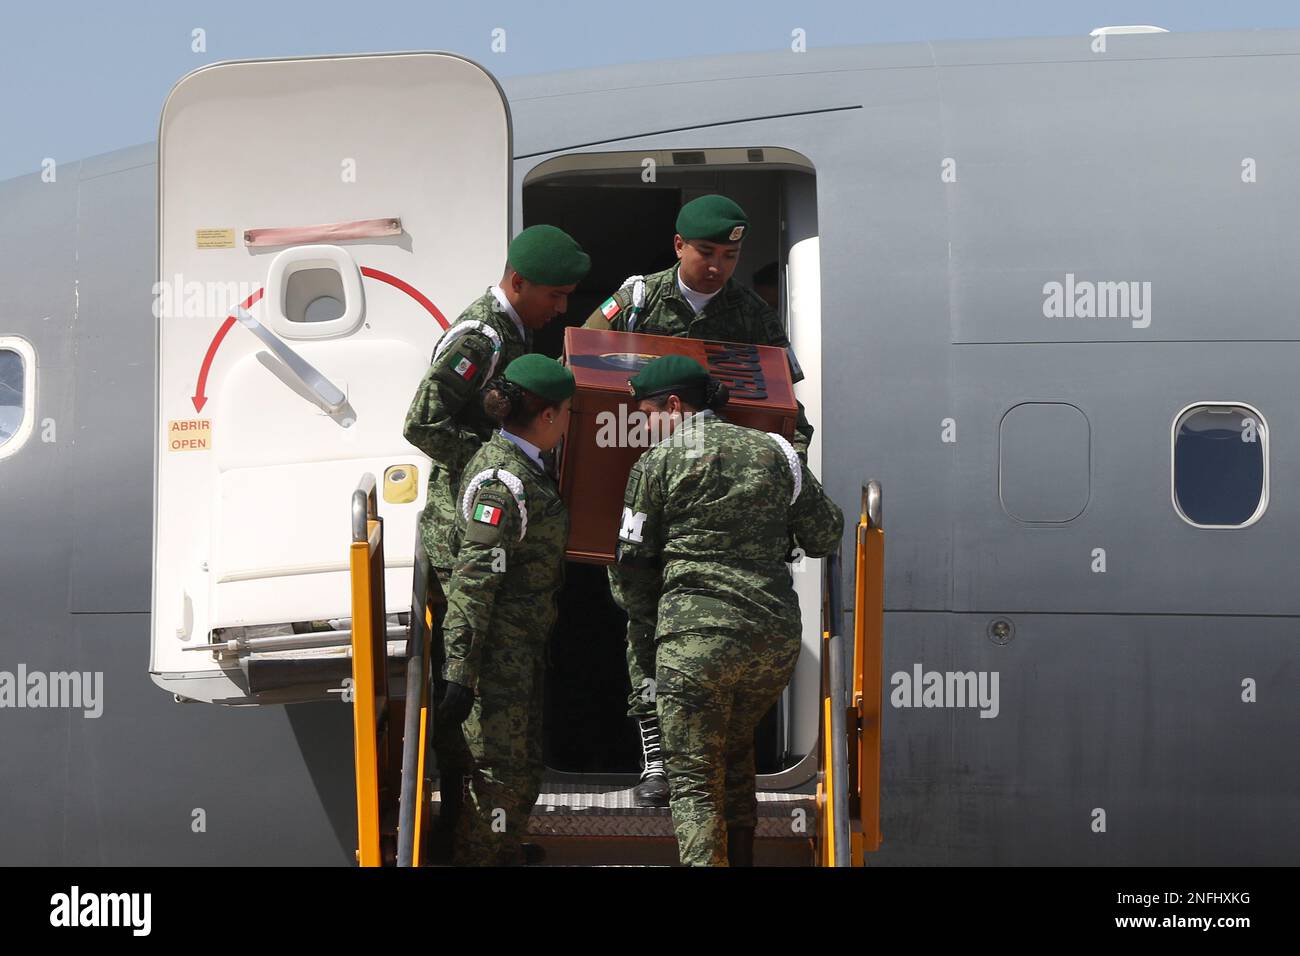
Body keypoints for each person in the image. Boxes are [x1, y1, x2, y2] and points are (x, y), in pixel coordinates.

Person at [584, 194, 814, 806]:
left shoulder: (753, 316)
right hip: (640, 488)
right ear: (678, 246)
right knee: (643, 623)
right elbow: (582, 372)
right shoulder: (638, 300)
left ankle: (713, 766)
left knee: (710, 634)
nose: (716, 267)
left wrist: (789, 477)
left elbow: (789, 414)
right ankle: (656, 759)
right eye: (706, 253)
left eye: (729, 257)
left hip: (715, 509)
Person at [607, 356, 843, 866]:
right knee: (735, 752)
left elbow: (631, 566)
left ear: (674, 405)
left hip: (695, 646)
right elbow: (826, 533)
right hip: (771, 643)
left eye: (646, 415)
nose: (644, 429)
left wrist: (651, 628)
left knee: (693, 781)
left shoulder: (657, 462)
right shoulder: (776, 450)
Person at [403, 225, 588, 854]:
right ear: (518, 282)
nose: (560, 307)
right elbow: (422, 423)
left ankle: (490, 843)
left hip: (498, 526)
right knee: (486, 726)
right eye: (554, 295)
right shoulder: (481, 338)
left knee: (505, 733)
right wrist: (496, 461)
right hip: (467, 532)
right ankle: (475, 845)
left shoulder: (516, 332)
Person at [435, 354, 576, 866]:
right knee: (497, 775)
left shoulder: (526, 464)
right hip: (495, 657)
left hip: (519, 650)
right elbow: (474, 580)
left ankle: (504, 851)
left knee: (521, 768)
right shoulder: (503, 484)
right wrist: (459, 671)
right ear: (547, 416)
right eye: (567, 413)